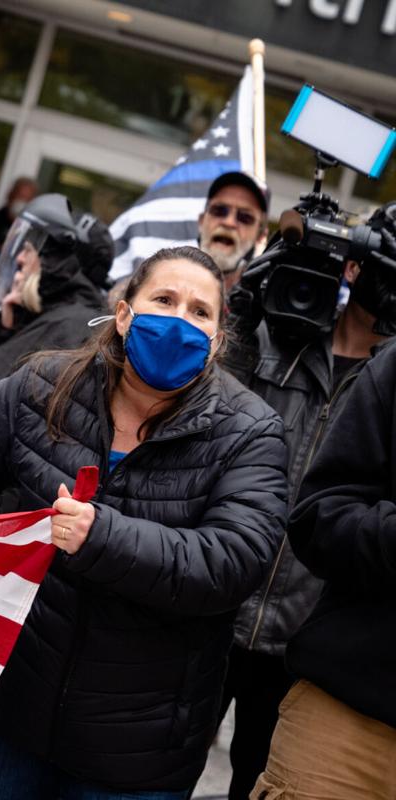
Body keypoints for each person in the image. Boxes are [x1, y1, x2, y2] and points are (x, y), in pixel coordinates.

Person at [0, 246, 288, 798]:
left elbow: (233, 561)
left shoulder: (250, 432)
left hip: (138, 755)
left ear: (218, 340)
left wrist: (101, 537)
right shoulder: (43, 385)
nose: (178, 320)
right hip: (10, 715)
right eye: (164, 300)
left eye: (200, 311)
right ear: (124, 314)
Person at [217, 202, 396, 800]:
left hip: (302, 640)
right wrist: (243, 309)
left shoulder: (387, 372)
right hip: (215, 608)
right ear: (354, 267)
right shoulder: (275, 338)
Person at [0, 194, 112, 391]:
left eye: (29, 250)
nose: (20, 258)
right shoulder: (68, 316)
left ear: (55, 261)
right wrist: (8, 325)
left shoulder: (69, 326)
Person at [198, 171, 269, 292]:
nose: (229, 223)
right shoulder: (164, 279)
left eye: (245, 217)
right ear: (201, 221)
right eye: (219, 210)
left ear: (260, 236)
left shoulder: (263, 300)